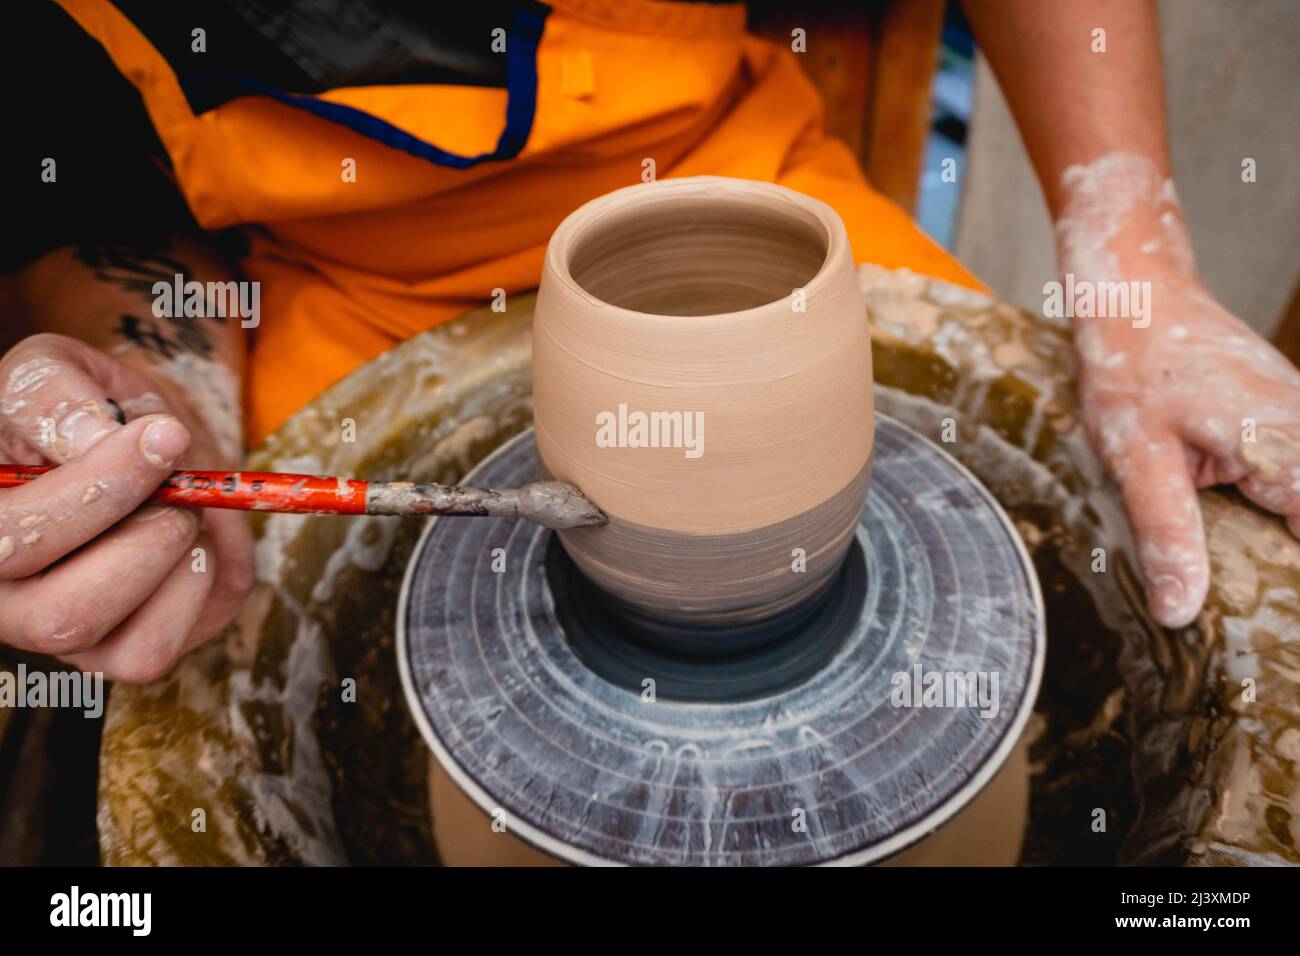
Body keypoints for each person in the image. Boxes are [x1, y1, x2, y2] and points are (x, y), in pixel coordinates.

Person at [2, 0, 1297, 682]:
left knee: (1141, 576)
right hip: (335, 281)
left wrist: (1135, 262)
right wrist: (156, 403)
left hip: (732, 185)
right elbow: (95, 205)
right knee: (217, 656)